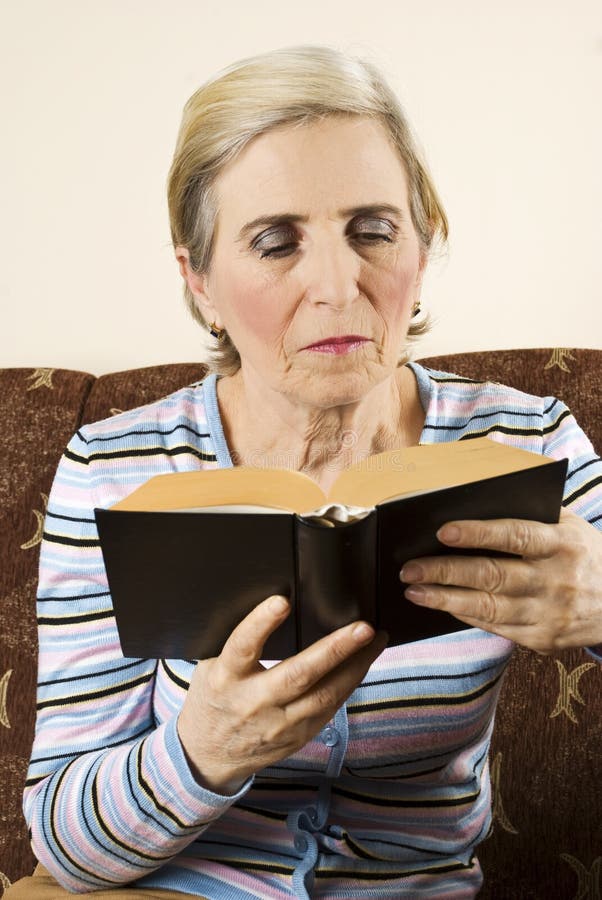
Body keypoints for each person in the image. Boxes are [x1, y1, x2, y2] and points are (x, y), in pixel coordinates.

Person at [9, 45, 602, 900]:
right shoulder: (112, 467)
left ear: (421, 246)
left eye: (372, 230)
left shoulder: (528, 439)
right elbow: (64, 848)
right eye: (276, 242)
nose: (336, 285)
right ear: (201, 281)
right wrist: (200, 753)